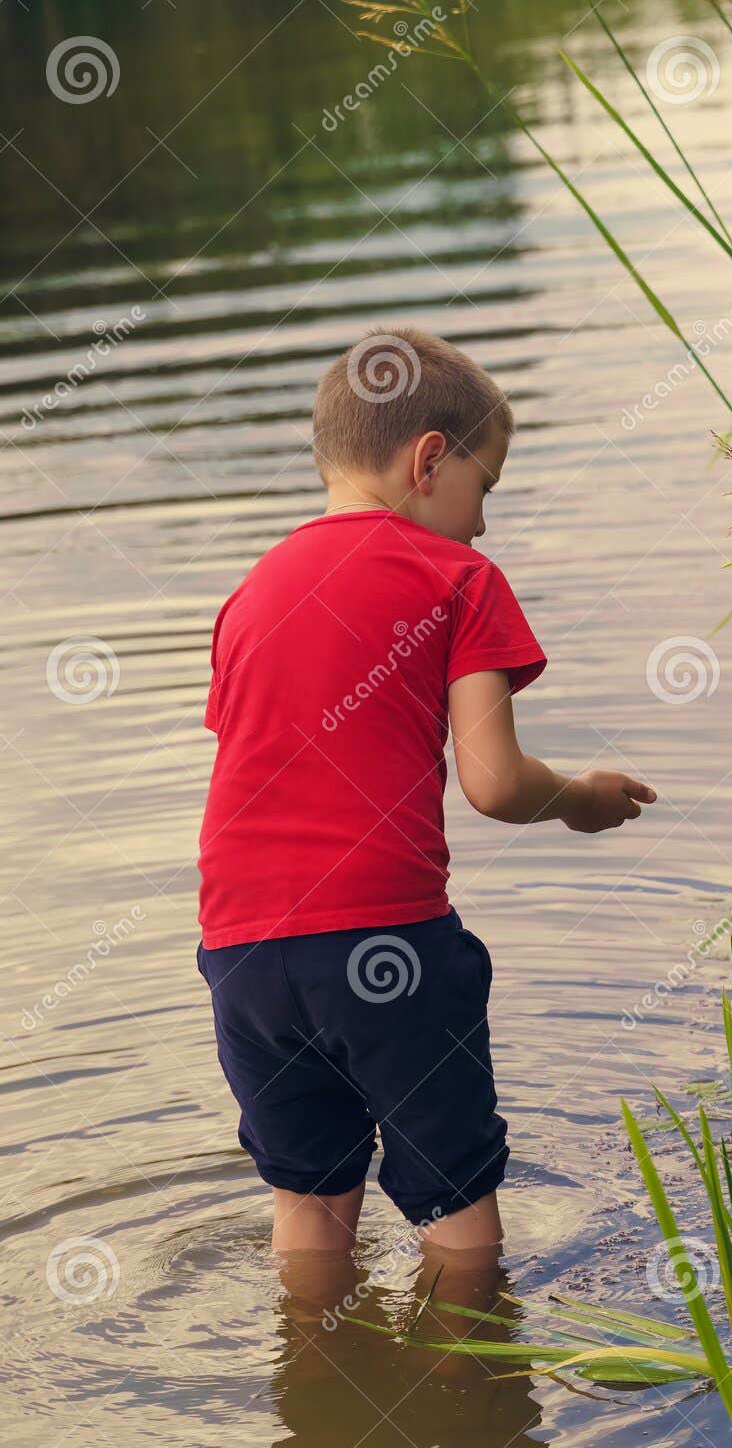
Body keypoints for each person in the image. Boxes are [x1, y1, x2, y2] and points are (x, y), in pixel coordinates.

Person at [196, 326, 656, 1260]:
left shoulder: (248, 595)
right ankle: (471, 1392)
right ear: (429, 459)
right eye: (483, 488)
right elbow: (491, 784)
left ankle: (315, 1384)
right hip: (383, 940)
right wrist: (576, 797)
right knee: (456, 1208)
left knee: (310, 1201)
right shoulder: (458, 577)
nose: (483, 522)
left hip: (240, 953)